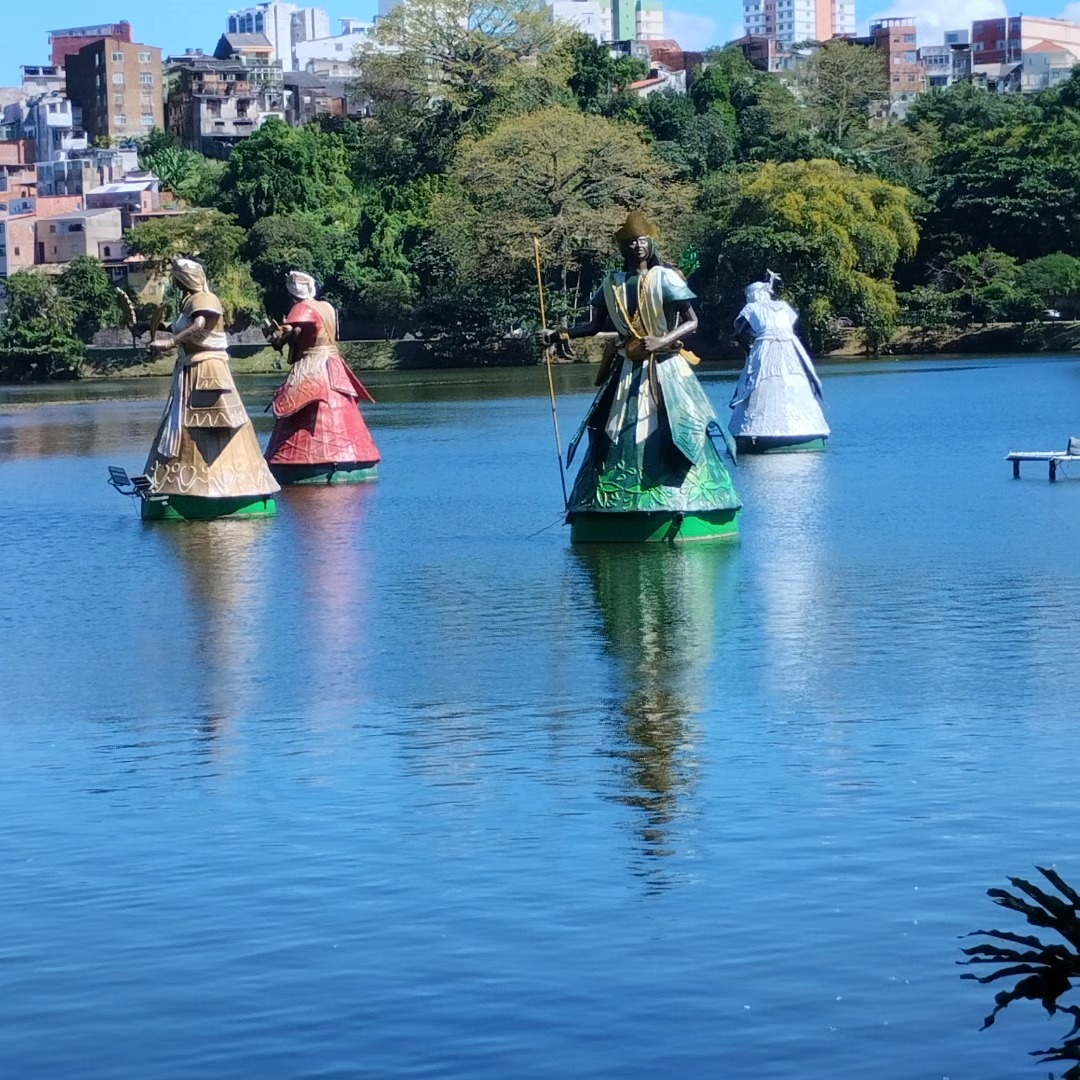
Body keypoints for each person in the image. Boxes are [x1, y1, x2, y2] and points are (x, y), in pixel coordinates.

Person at [541, 211, 741, 543]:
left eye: (643, 241)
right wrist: (560, 334)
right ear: (623, 247)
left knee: (674, 423)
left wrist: (662, 340)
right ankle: (611, 499)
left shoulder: (665, 277)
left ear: (651, 244)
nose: (638, 246)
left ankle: (682, 496)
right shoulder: (613, 283)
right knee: (608, 425)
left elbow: (692, 321)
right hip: (626, 371)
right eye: (632, 242)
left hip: (665, 367)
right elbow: (594, 326)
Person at [143, 258, 279, 517]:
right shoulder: (188, 303)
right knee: (180, 426)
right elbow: (181, 327)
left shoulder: (206, 299)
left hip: (207, 369)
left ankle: (230, 487)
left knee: (214, 423)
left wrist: (170, 342)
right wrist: (152, 329)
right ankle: (173, 484)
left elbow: (199, 326)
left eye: (180, 276)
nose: (177, 281)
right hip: (189, 371)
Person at [264, 271, 381, 485]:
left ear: (293, 294)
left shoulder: (301, 308)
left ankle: (309, 464)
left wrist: (277, 336)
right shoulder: (327, 307)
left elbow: (288, 329)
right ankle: (354, 456)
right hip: (333, 364)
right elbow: (306, 329)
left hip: (313, 365)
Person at [729, 274, 830, 453]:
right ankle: (807, 428)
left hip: (765, 348)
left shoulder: (751, 307)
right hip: (789, 348)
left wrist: (748, 347)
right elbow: (790, 324)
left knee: (759, 381)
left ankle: (757, 431)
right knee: (789, 380)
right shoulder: (783, 306)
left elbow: (738, 331)